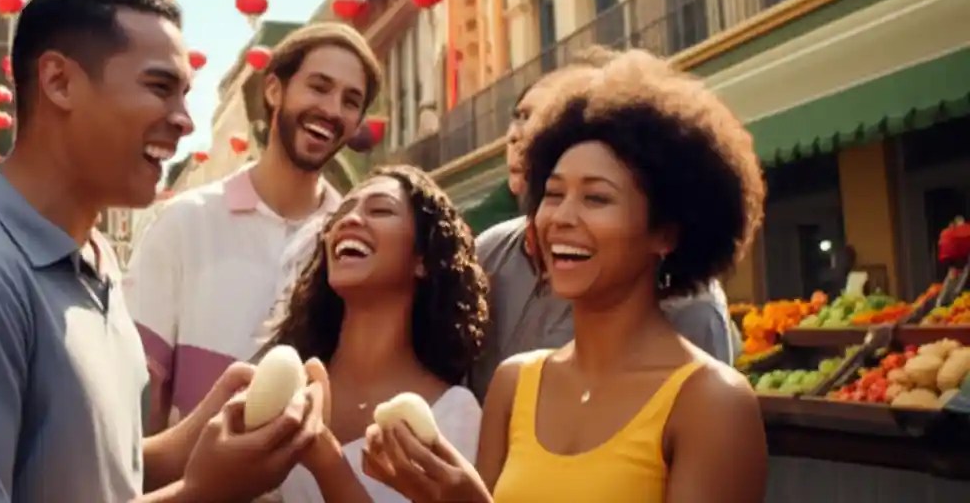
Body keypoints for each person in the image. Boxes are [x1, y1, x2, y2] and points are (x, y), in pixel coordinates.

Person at [0, 0, 324, 503]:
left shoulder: (93, 260)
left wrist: (203, 432)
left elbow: (106, 472)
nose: (183, 122)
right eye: (158, 87)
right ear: (59, 81)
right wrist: (200, 495)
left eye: (184, 94)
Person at [362, 50, 768, 503]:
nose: (561, 217)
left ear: (666, 232)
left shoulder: (713, 402)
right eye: (553, 194)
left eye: (596, 198)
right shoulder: (513, 384)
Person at [125, 22, 382, 434]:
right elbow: (138, 397)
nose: (332, 110)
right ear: (275, 91)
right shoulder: (186, 225)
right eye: (318, 87)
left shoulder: (352, 242)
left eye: (350, 101)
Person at [468, 51, 739, 400]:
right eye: (519, 117)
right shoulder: (490, 254)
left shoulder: (694, 320)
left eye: (596, 197)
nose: (520, 135)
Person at [263, 165, 489, 502]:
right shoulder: (289, 385)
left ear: (422, 259)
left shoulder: (454, 414)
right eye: (341, 213)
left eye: (381, 210)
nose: (349, 220)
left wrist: (326, 460)